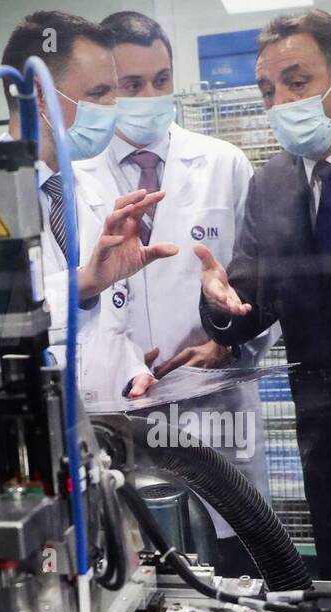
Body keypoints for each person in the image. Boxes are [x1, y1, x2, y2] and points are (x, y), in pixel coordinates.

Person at [0, 11, 177, 529]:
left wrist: (131, 373)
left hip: (92, 453)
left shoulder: (93, 187)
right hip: (2, 464)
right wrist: (84, 281)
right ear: (38, 93)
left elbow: (107, 325)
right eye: (100, 92)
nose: (114, 107)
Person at [195, 9, 331, 581]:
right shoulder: (273, 183)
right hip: (323, 434)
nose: (280, 101)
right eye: (267, 89)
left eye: (297, 82)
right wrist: (218, 302)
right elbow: (249, 306)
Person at [78, 10, 266, 576]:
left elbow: (260, 285)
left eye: (161, 80)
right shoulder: (73, 178)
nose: (151, 96)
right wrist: (113, 358)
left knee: (238, 572)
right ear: (105, 89)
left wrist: (228, 343)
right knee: (137, 578)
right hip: (118, 420)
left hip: (215, 414)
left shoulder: (223, 164)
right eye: (132, 85)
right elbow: (66, 299)